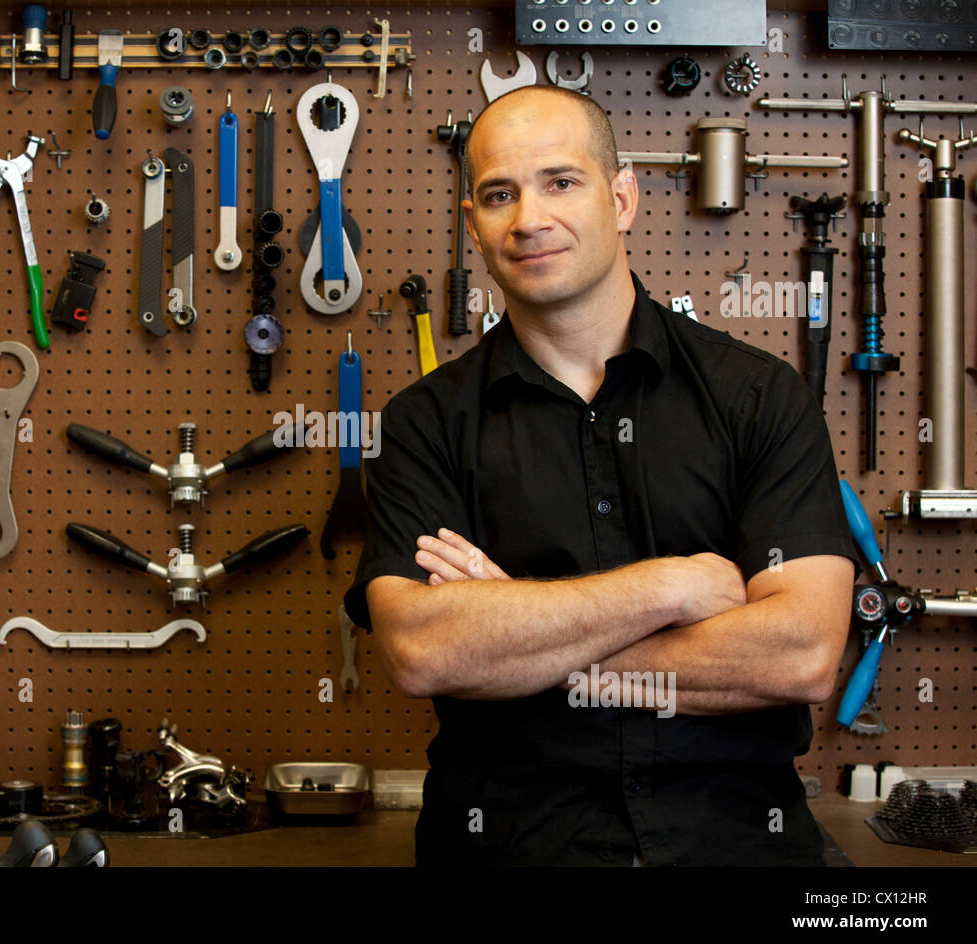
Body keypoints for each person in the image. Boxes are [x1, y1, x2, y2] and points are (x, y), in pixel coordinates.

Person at [343, 85, 858, 866]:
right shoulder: (424, 423)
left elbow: (800, 655)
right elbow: (425, 652)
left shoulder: (758, 396)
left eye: (560, 181)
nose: (529, 220)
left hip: (736, 846)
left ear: (622, 199)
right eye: (497, 194)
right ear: (472, 221)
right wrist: (673, 590)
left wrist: (517, 639)